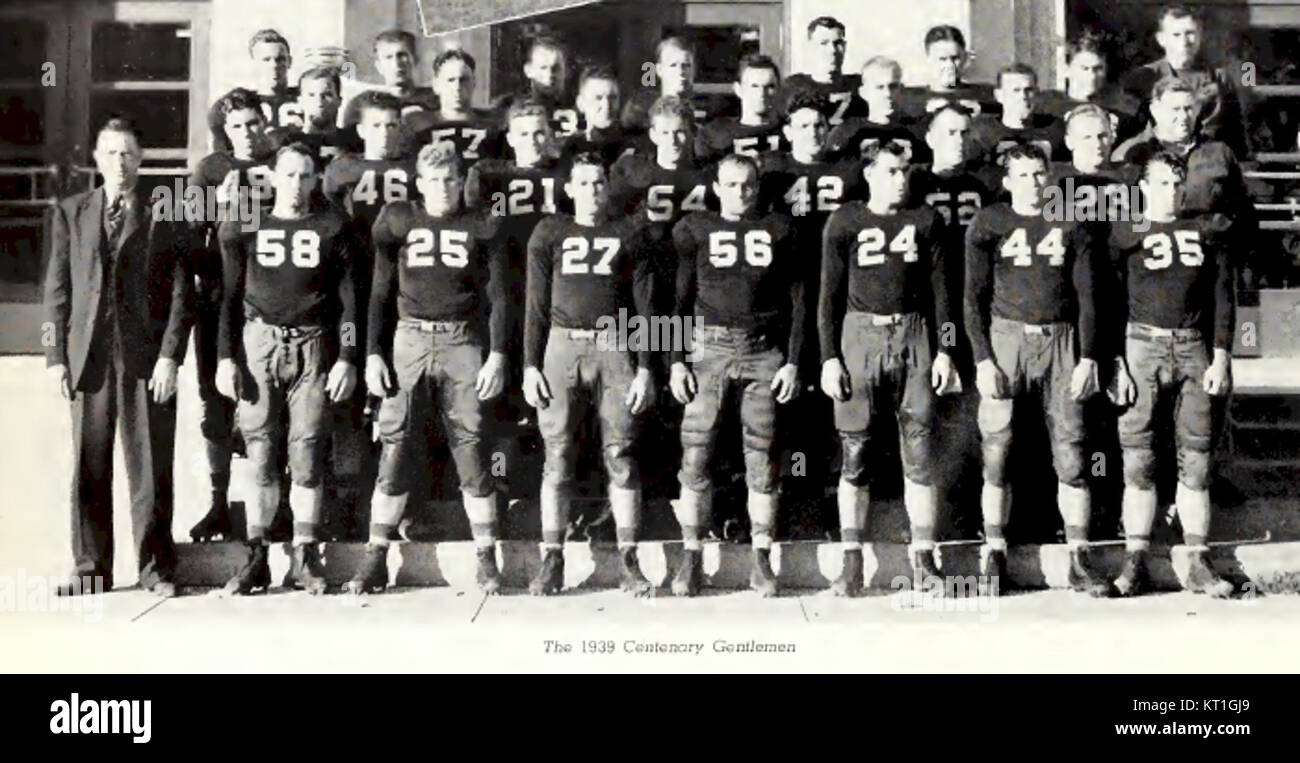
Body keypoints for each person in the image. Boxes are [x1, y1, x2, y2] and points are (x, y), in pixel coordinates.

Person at [349, 142, 510, 595]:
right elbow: (379, 294)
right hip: (410, 337)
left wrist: (498, 354)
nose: (443, 187)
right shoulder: (398, 220)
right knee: (396, 442)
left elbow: (500, 297)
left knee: (473, 444)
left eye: (451, 178)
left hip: (463, 338)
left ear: (462, 182)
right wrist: (373, 353)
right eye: (434, 179)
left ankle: (486, 556)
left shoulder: (482, 224)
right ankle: (376, 555)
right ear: (420, 183)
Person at [44, 117, 192, 597]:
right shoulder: (72, 211)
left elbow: (179, 292)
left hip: (145, 358)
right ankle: (90, 567)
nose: (119, 163)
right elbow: (57, 289)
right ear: (96, 159)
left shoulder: (164, 212)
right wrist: (55, 357)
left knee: (149, 462)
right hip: (89, 356)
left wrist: (171, 356)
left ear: (141, 158)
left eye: (127, 153)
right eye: (110, 153)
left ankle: (155, 568)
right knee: (90, 462)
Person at [964, 143, 1112, 597]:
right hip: (1007, 338)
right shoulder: (989, 222)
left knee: (1072, 451)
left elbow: (1090, 295)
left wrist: (1089, 356)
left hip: (1063, 339)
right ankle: (993, 551)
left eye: (1039, 173)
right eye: (1023, 175)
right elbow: (972, 297)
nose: (1033, 182)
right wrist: (982, 358)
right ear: (1006, 181)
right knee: (997, 449)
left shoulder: (1072, 221)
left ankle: (1080, 556)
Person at [216, 143, 360, 595]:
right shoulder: (247, 222)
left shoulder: (333, 226)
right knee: (259, 452)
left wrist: (348, 357)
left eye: (305, 175)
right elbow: (228, 295)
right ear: (272, 177)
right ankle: (256, 553)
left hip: (314, 343)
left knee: (308, 451)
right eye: (289, 175)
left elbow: (351, 302)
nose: (296, 185)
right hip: (260, 341)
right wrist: (225, 356)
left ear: (316, 179)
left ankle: (304, 552)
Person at [819, 141, 956, 595]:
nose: (902, 179)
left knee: (920, 452)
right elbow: (828, 298)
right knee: (855, 453)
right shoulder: (845, 220)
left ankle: (924, 559)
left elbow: (943, 295)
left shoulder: (927, 220)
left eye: (906, 171)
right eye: (893, 172)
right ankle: (852, 560)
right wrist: (828, 358)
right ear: (872, 174)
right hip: (859, 336)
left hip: (914, 334)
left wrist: (946, 350)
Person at [522, 153, 658, 596]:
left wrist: (647, 369)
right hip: (561, 344)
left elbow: (645, 308)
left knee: (621, 453)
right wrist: (529, 365)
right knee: (557, 456)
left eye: (598, 182)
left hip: (615, 343)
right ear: (570, 188)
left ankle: (629, 560)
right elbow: (535, 307)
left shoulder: (629, 233)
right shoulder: (550, 231)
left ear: (608, 186)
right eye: (583, 183)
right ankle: (552, 558)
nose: (592, 191)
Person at [668, 154, 803, 597]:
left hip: (764, 349)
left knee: (762, 454)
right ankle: (691, 556)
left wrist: (794, 360)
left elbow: (799, 301)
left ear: (757, 186)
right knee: (696, 451)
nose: (740, 193)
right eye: (731, 184)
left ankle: (762, 558)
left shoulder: (780, 229)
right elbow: (680, 301)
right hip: (707, 346)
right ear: (717, 187)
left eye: (747, 184)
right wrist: (675, 359)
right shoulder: (695, 229)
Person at [1106, 151, 1235, 598]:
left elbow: (1223, 295)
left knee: (1196, 455)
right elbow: (1108, 303)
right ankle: (1135, 559)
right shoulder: (1126, 232)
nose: (1171, 191)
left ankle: (1199, 560)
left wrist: (1221, 355)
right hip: (1140, 344)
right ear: (1143, 187)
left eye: (1177, 183)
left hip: (1194, 344)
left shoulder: (1205, 230)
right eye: (1161, 182)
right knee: (1138, 457)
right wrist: (1114, 361)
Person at [186, 88, 276, 543]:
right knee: (215, 401)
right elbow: (192, 237)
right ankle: (219, 502)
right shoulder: (210, 170)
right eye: (237, 126)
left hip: (274, 297)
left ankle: (275, 504)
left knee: (272, 399)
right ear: (225, 131)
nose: (247, 133)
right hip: (222, 297)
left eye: (253, 123)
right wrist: (221, 206)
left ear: (266, 121)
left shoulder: (284, 161)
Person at [1118, 4, 1250, 158]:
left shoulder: (1220, 79)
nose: (1185, 41)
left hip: (1206, 163)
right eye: (1176, 34)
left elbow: (1236, 135)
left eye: (1190, 33)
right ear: (1161, 39)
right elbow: (1129, 133)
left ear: (1200, 35)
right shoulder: (1142, 78)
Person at [694, 55, 785, 167]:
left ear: (779, 89)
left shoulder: (792, 131)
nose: (762, 94)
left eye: (769, 87)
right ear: (738, 89)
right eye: (754, 86)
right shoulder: (714, 135)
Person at [781, 16, 863, 127]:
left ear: (844, 46)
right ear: (809, 48)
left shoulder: (860, 85)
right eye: (823, 43)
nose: (832, 50)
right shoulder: (793, 86)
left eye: (837, 43)